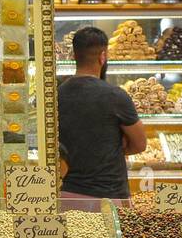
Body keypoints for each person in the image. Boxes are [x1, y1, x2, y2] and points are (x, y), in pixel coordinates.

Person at [58, 27, 147, 200]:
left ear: (74, 56)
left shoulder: (58, 94)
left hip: (68, 194)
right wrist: (110, 148)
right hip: (110, 195)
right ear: (103, 56)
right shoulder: (116, 96)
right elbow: (140, 144)